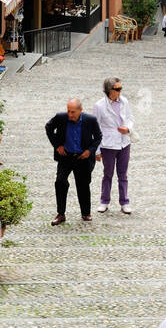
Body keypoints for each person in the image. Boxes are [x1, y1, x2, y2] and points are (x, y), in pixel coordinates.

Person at [44, 98, 102, 225]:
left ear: (80, 110)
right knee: (60, 182)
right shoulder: (60, 118)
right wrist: (57, 145)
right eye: (68, 111)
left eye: (73, 112)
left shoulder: (90, 120)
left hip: (82, 157)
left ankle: (86, 213)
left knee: (83, 185)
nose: (70, 115)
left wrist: (89, 151)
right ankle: (61, 213)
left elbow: (98, 137)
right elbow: (48, 127)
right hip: (66, 157)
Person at [93, 77, 134, 215]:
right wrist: (97, 150)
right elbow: (95, 128)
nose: (120, 91)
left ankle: (124, 202)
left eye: (121, 88)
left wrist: (127, 128)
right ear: (109, 90)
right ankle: (104, 201)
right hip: (108, 144)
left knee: (123, 174)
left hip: (124, 143)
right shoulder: (99, 106)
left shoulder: (124, 101)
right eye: (117, 89)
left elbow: (130, 118)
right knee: (108, 174)